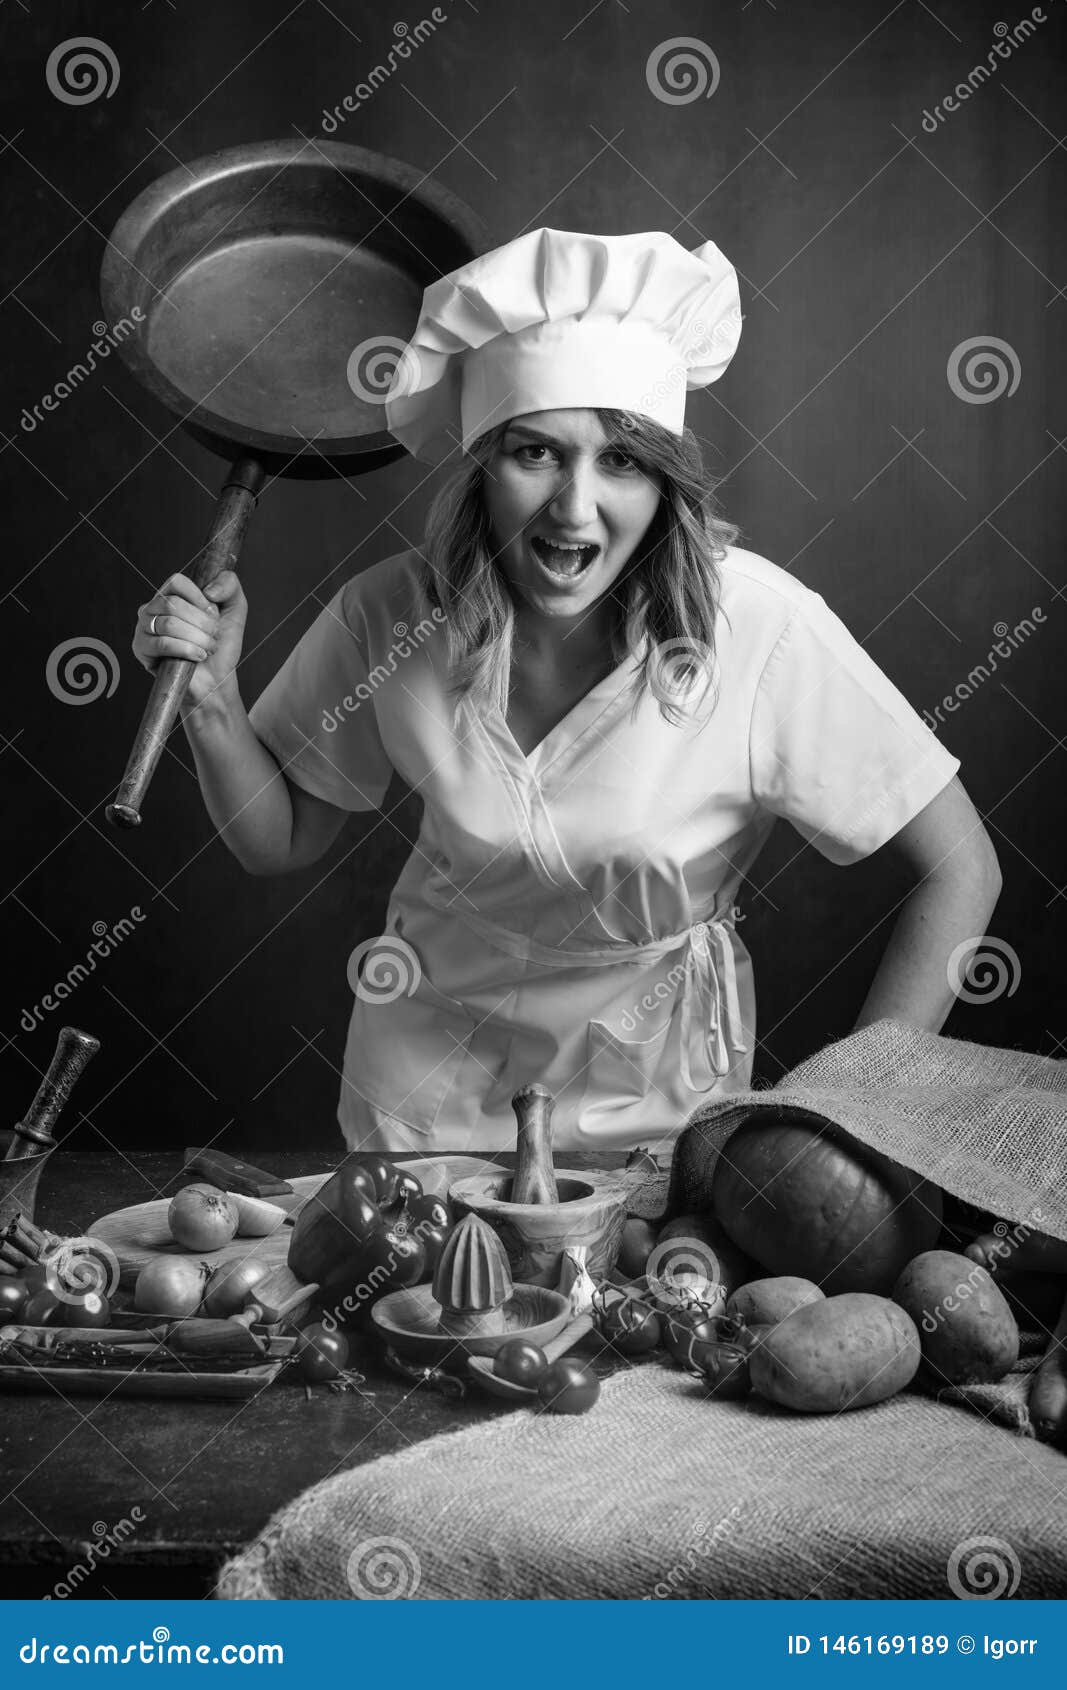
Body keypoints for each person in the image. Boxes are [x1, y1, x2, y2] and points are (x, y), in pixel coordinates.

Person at [130, 227, 1002, 1159]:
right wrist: (214, 699)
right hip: (426, 1111)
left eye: (620, 461)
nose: (575, 507)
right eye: (535, 453)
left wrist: (848, 1117)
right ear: (479, 466)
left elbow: (962, 869)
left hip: (658, 1115)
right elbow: (281, 836)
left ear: (664, 483)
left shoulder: (760, 627)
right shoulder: (389, 616)